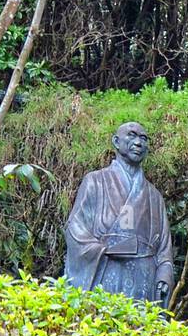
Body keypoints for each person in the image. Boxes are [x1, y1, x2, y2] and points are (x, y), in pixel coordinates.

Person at [64, 122, 173, 305]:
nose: (138, 143)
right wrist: (105, 250)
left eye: (143, 138)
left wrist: (164, 274)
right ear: (116, 141)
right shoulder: (95, 181)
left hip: (143, 280)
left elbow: (164, 249)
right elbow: (75, 228)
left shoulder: (155, 196)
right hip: (105, 271)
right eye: (131, 135)